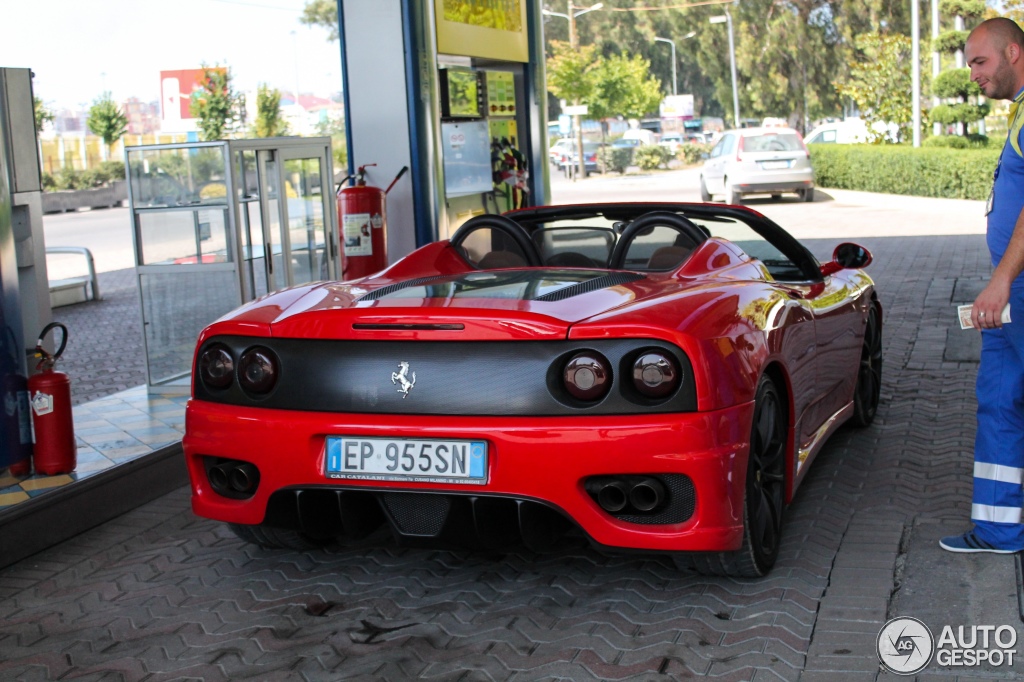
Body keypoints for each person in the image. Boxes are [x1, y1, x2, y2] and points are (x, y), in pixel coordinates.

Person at [941, 17, 1024, 553]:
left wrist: (999, 281)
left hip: (1013, 286)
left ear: (1013, 52)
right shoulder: (1019, 111)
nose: (973, 73)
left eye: (980, 61)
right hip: (1011, 294)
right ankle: (998, 530)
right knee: (999, 400)